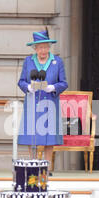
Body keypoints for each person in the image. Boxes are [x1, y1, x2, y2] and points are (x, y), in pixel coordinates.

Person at [18, 30, 68, 169]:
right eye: (40, 47)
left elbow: (64, 83)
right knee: (31, 134)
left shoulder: (57, 62)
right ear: (35, 48)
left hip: (50, 102)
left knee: (49, 137)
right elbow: (21, 81)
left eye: (46, 47)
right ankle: (33, 164)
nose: (43, 50)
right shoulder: (28, 61)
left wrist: (52, 87)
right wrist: (28, 87)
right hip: (32, 102)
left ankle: (47, 167)